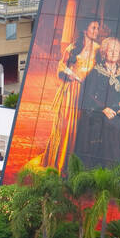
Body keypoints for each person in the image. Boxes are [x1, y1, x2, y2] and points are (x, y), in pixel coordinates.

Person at [42, 17, 102, 168]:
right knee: (67, 126)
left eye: (97, 28)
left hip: (87, 93)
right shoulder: (73, 47)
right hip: (71, 92)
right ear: (84, 30)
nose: (96, 31)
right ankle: (61, 163)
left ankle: (77, 165)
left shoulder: (99, 49)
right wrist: (70, 75)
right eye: (93, 27)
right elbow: (61, 67)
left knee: (82, 128)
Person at [75, 36, 120, 167]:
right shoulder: (96, 71)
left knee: (116, 131)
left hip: (115, 115)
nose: (114, 53)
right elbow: (88, 95)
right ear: (104, 53)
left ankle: (111, 172)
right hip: (97, 116)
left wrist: (116, 108)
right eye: (111, 50)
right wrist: (103, 109)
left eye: (117, 50)